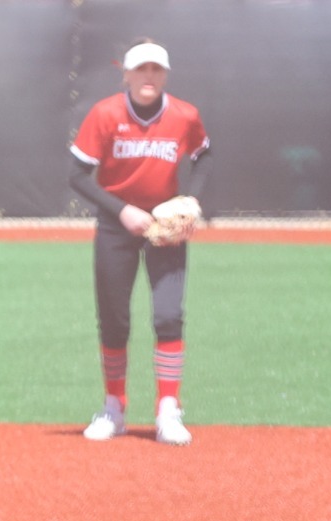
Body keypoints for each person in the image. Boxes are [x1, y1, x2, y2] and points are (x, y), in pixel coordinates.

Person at [69, 39, 212, 445]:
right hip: (118, 227)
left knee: (168, 315)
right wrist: (122, 211)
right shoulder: (106, 114)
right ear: (127, 75)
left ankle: (169, 409)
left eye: (156, 70)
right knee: (114, 319)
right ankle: (113, 408)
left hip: (165, 229)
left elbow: (205, 155)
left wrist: (192, 199)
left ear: (164, 75)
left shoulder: (184, 115)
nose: (149, 77)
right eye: (141, 70)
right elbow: (77, 175)